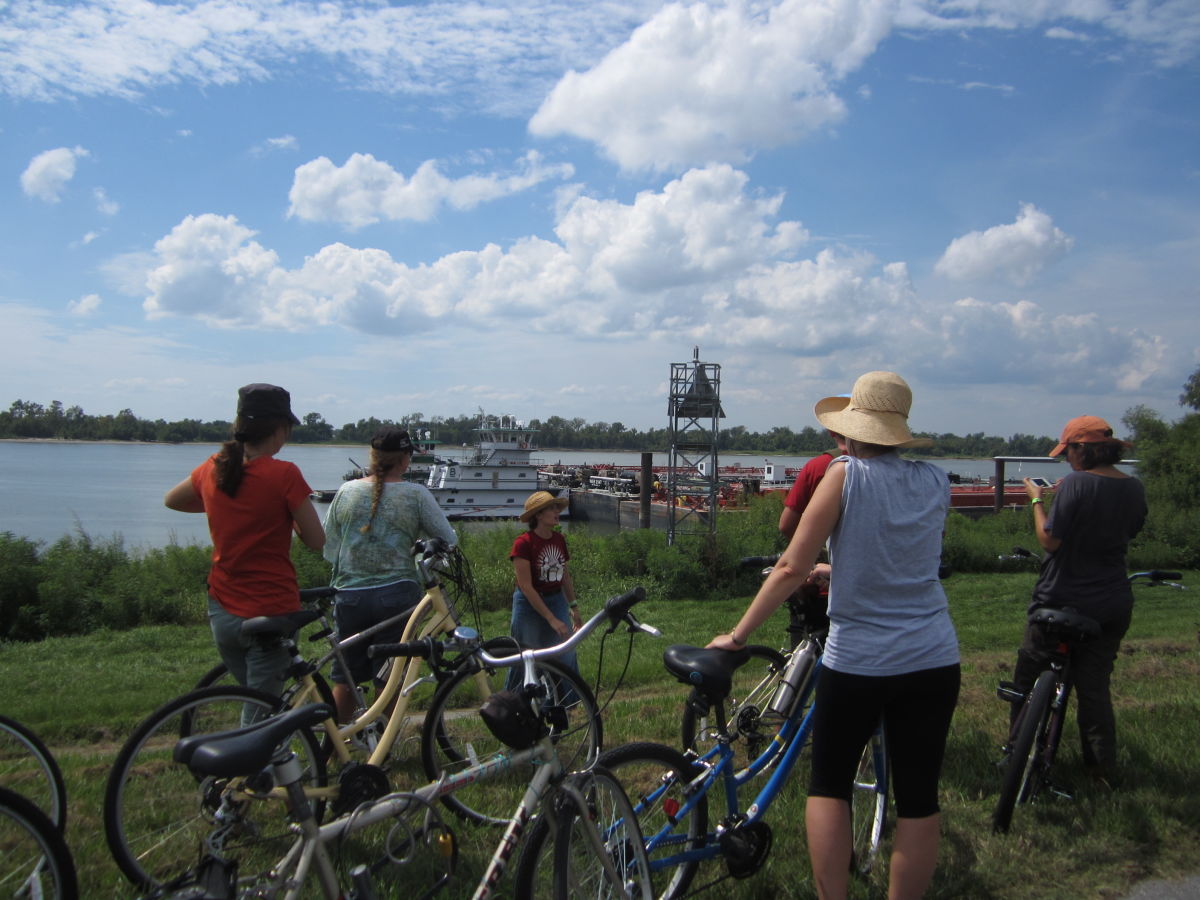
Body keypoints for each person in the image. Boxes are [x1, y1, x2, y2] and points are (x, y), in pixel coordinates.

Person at [709, 371, 959, 900]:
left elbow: (790, 568)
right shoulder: (936, 481)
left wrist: (737, 635)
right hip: (934, 655)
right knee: (919, 798)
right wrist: (837, 571)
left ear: (852, 430)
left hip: (861, 659)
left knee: (830, 785)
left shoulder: (844, 475)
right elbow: (898, 558)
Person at [164, 383, 325, 699]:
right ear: (280, 429)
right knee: (262, 721)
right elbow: (317, 541)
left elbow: (172, 500)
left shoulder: (214, 467)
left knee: (251, 699)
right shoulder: (284, 475)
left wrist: (219, 504)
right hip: (269, 610)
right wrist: (284, 514)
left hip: (222, 610)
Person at [1009, 415, 1146, 784]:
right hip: (1112, 600)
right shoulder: (1133, 488)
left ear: (1082, 449)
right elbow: (1130, 529)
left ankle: (1015, 754)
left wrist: (1037, 501)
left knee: (1030, 672)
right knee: (1095, 688)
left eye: (1068, 451)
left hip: (1062, 597)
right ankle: (1100, 770)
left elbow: (1050, 540)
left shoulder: (1076, 483)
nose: (1066, 459)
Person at [322, 426, 458, 723]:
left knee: (345, 677)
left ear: (372, 457)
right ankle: (381, 745)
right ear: (406, 459)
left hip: (348, 594)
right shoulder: (416, 494)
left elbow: (329, 545)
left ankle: (334, 750)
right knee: (389, 677)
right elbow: (447, 539)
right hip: (397, 596)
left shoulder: (347, 491)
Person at [508, 491, 580, 688]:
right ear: (538, 515)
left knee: (566, 652)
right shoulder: (523, 544)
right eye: (551, 508)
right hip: (528, 605)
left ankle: (568, 704)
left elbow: (565, 576)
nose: (557, 511)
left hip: (556, 599)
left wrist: (574, 608)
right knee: (526, 657)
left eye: (557, 507)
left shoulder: (559, 539)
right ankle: (511, 704)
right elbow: (526, 586)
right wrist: (551, 619)